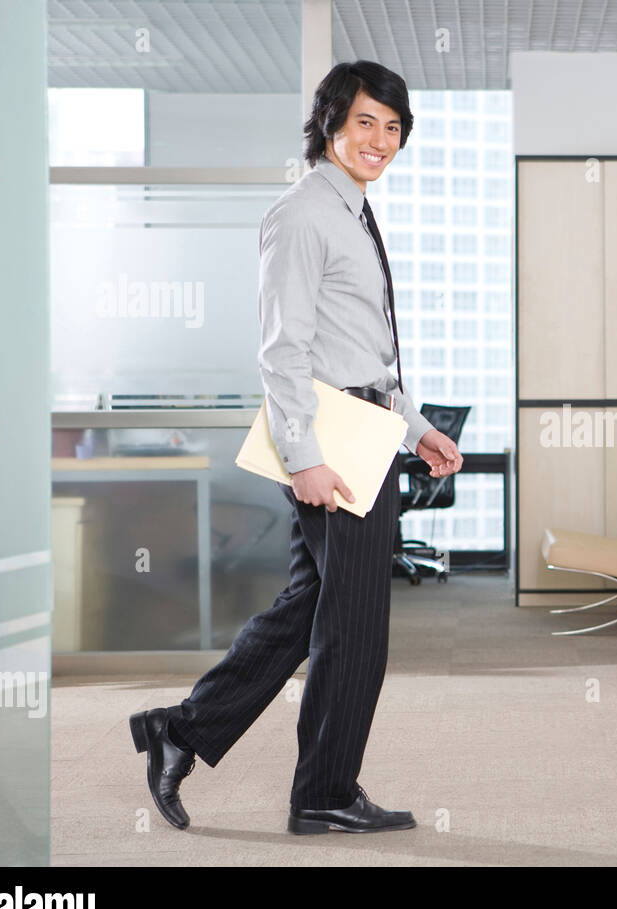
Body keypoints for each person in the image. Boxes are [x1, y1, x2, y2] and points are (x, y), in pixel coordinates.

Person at [128, 61, 462, 835]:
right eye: (366, 122)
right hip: (333, 445)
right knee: (356, 631)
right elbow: (284, 352)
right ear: (331, 125)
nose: (380, 139)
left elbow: (359, 353)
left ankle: (181, 731)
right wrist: (306, 457)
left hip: (367, 432)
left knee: (307, 609)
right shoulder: (303, 213)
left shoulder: (352, 211)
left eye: (392, 126)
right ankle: (322, 792)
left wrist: (418, 430)